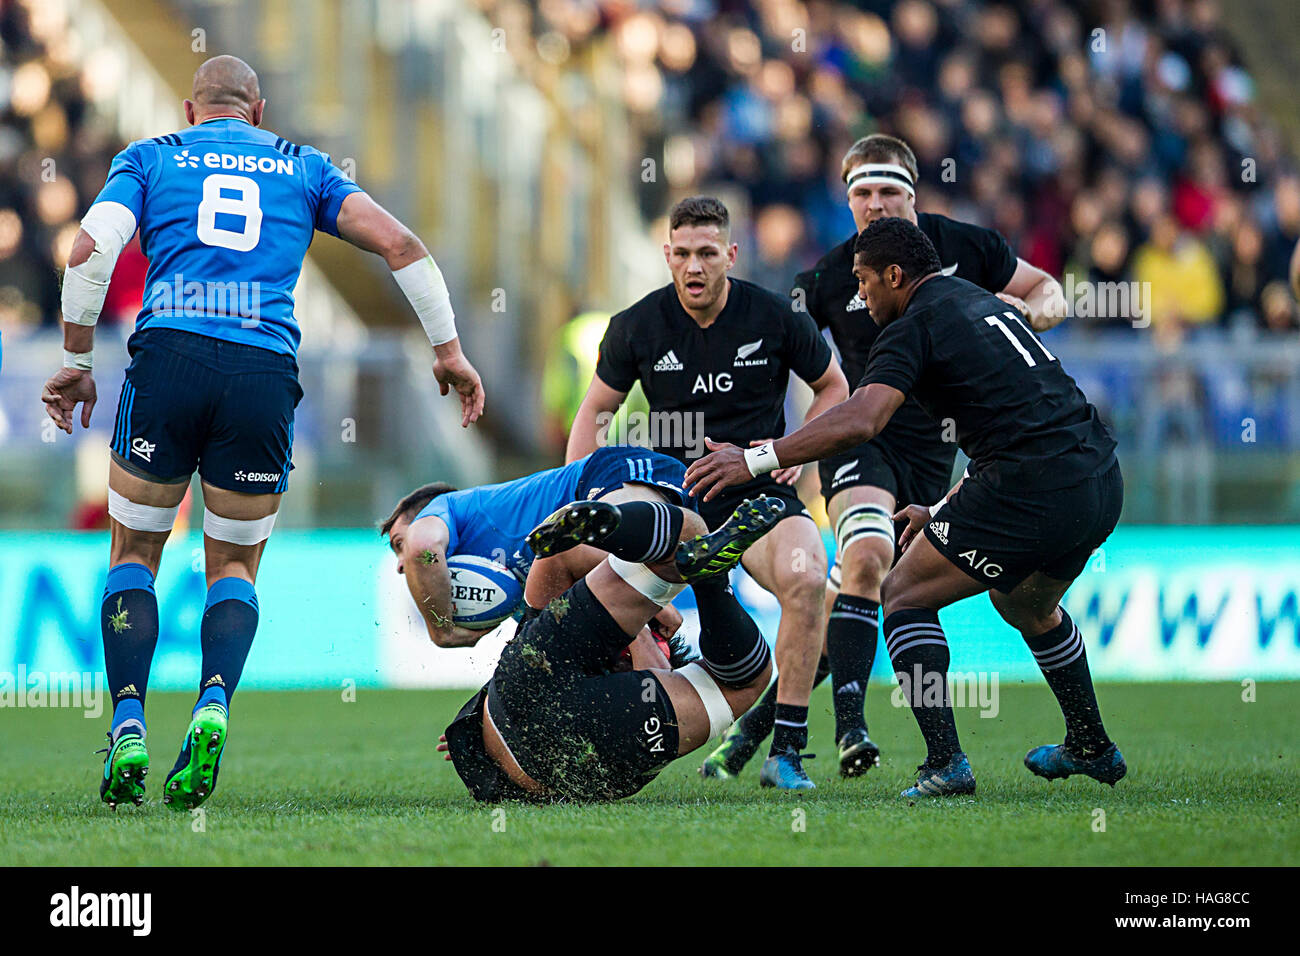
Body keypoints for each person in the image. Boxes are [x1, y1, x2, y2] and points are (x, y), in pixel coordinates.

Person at [39, 56, 485, 811]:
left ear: (191, 110)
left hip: (170, 360)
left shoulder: (150, 159)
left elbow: (88, 251)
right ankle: (213, 703)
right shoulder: (302, 168)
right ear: (259, 107)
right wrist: (447, 350)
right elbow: (401, 244)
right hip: (261, 372)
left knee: (135, 553)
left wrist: (78, 363)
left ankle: (126, 724)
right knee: (236, 568)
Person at [685, 217, 1125, 798]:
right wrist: (945, 506)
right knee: (1023, 603)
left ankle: (946, 763)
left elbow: (862, 418)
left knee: (903, 594)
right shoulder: (975, 301)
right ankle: (1091, 744)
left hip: (1029, 487)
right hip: (1098, 478)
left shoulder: (912, 324)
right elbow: (1022, 418)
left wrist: (757, 458)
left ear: (896, 275)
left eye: (865, 281)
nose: (860, 295)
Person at [566, 196, 850, 789]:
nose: (694, 267)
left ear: (731, 255)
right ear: (667, 255)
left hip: (754, 495)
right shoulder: (636, 327)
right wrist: (576, 491)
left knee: (806, 577)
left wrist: (792, 449)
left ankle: (787, 753)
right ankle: (565, 722)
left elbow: (834, 387)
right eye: (684, 254)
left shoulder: (774, 317)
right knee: (587, 585)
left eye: (707, 254)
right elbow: (595, 410)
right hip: (672, 507)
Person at [438, 495, 787, 802]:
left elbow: (556, 557)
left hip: (519, 710)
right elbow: (557, 555)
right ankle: (709, 578)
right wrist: (645, 622)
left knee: (690, 529)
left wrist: (642, 626)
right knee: (747, 680)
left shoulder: (539, 646)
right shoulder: (639, 664)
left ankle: (625, 534)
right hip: (566, 757)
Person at [379, 445, 693, 649]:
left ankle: (639, 548)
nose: (400, 564)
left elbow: (422, 547)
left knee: (626, 531)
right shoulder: (512, 589)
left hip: (609, 475)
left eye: (398, 544)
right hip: (659, 510)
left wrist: (440, 629)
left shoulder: (448, 507)